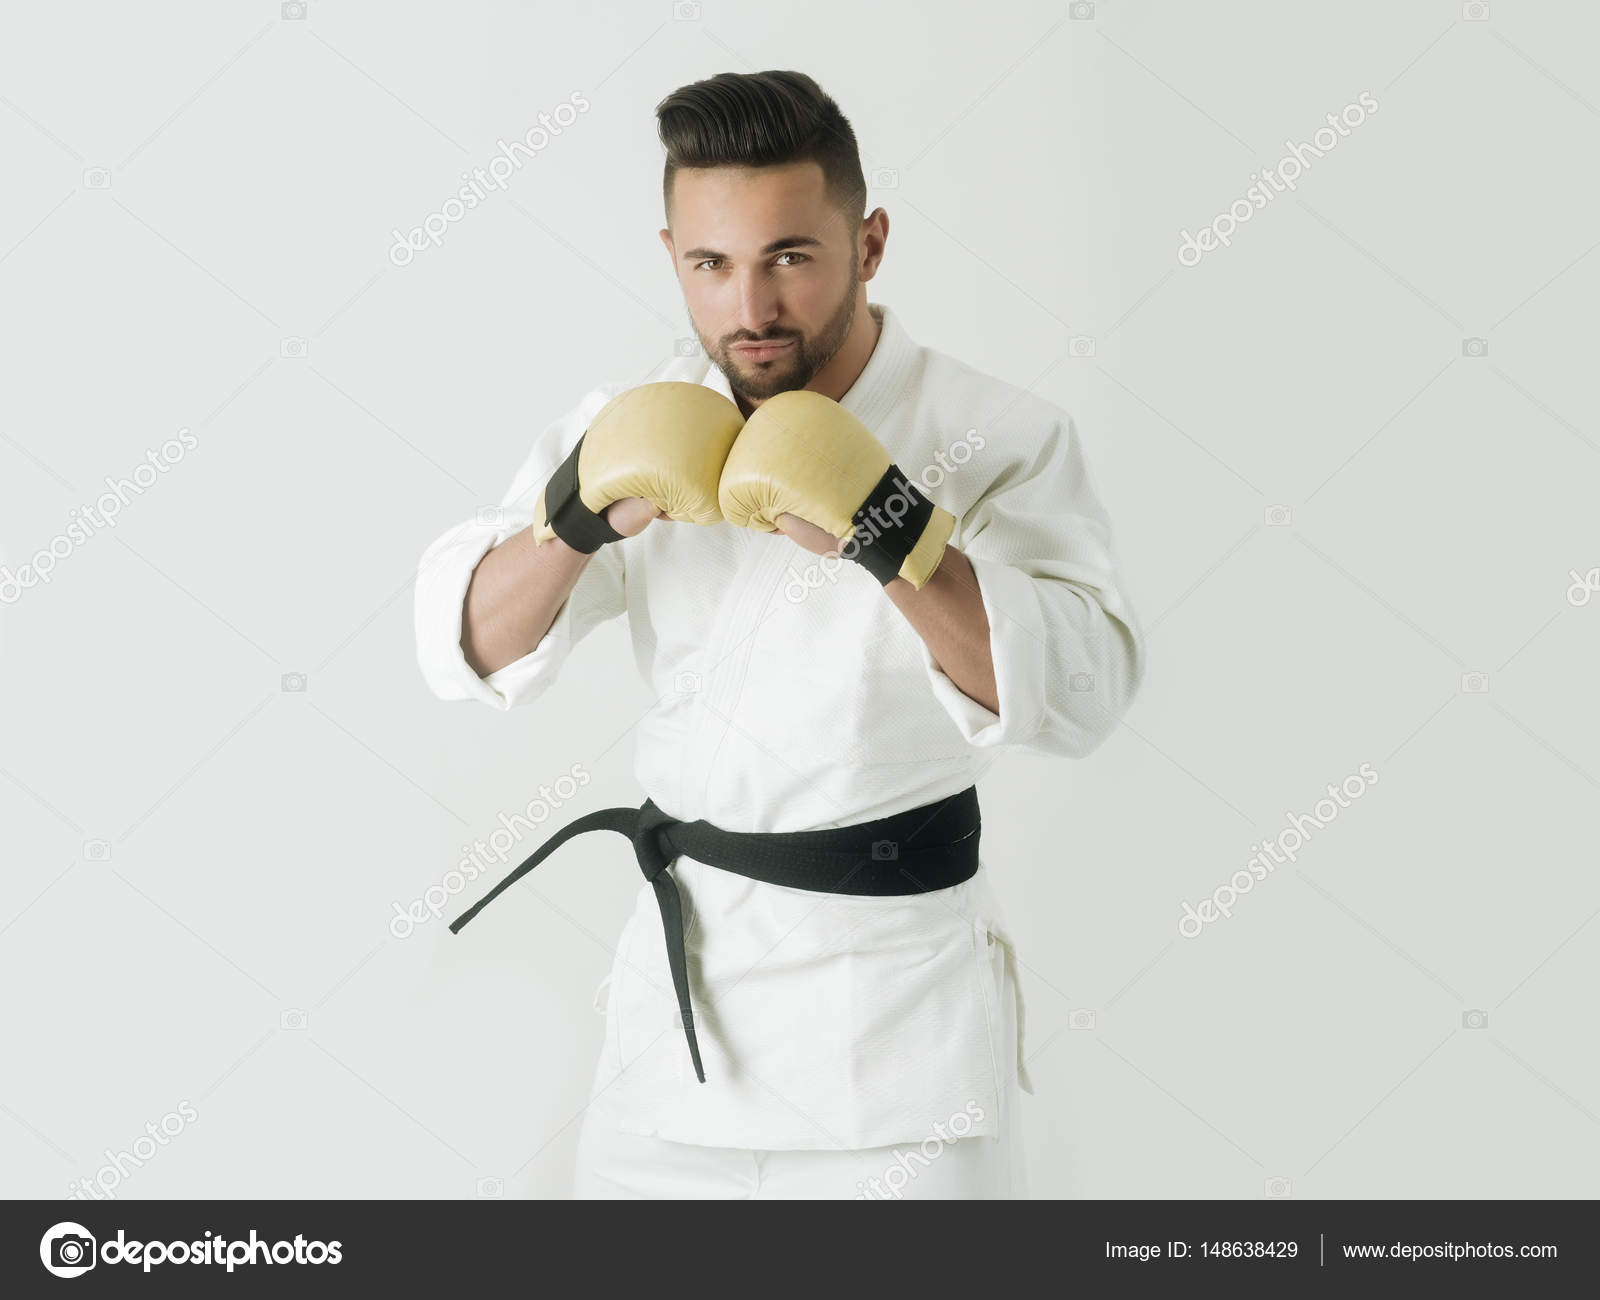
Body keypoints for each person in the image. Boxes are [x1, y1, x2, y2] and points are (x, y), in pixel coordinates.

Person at [413, 69, 1145, 1199]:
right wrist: (572, 520)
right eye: (710, 265)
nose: (748, 307)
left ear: (871, 241)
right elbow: (466, 648)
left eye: (789, 258)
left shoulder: (995, 433)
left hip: (896, 1055)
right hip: (673, 1036)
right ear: (672, 256)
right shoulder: (641, 423)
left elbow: (1085, 692)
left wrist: (892, 532)